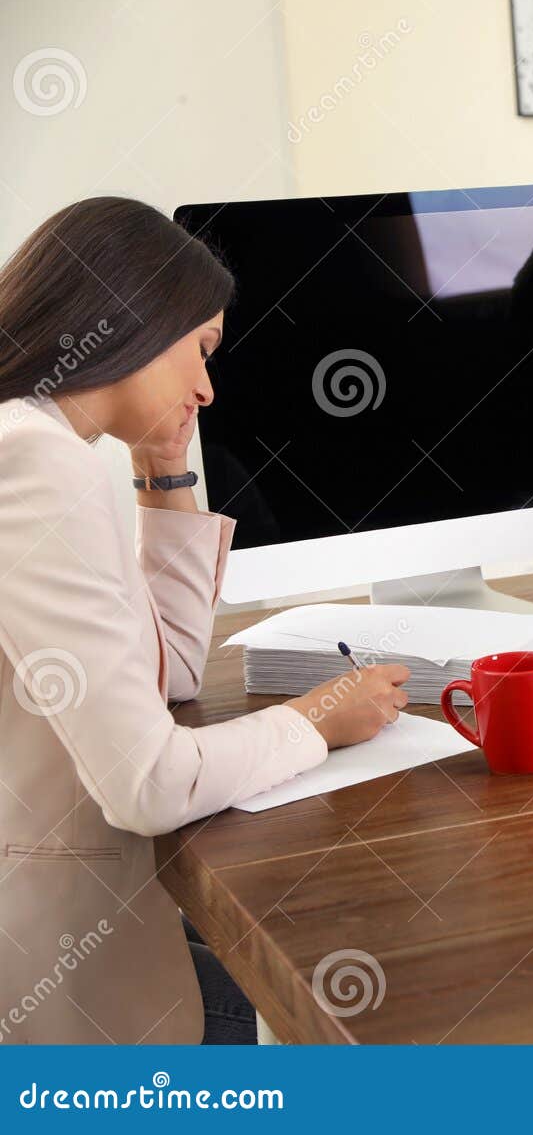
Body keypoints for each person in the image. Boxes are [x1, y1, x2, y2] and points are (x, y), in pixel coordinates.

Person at [0, 197, 411, 1044]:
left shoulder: (41, 444)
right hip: (62, 977)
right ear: (135, 317)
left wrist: (162, 463)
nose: (206, 387)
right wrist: (317, 719)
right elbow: (149, 783)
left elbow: (171, 673)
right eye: (201, 349)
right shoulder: (37, 464)